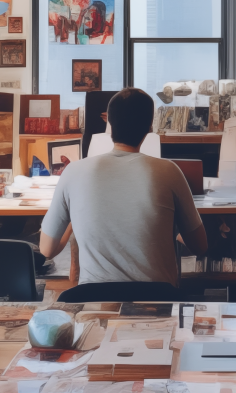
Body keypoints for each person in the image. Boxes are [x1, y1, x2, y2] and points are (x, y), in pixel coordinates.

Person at [39, 87, 208, 283]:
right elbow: (200, 246)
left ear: (109, 123)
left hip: (95, 301)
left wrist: (74, 217)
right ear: (150, 126)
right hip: (157, 301)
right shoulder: (169, 171)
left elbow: (46, 249)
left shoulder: (73, 172)